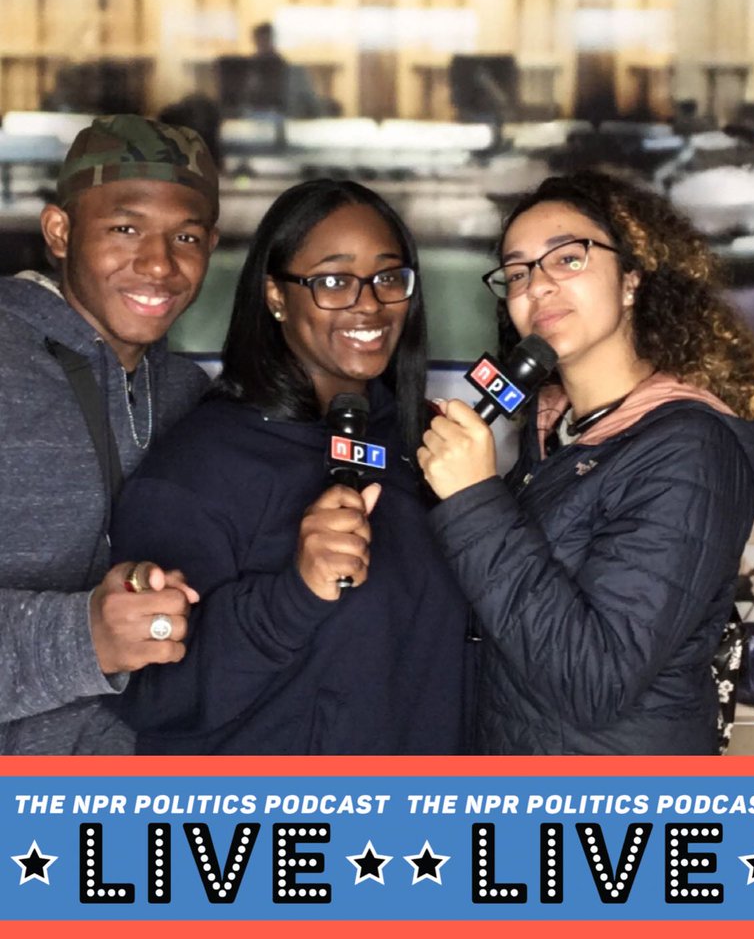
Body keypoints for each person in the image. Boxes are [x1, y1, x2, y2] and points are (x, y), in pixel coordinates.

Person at [418, 170, 754, 755]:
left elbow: (597, 680)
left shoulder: (690, 447)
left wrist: (473, 499)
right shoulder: (554, 428)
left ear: (631, 280)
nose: (538, 285)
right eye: (518, 272)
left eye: (568, 259)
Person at [110, 178, 470, 754]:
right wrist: (295, 594)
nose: (369, 303)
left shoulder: (425, 446)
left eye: (388, 277)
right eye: (333, 281)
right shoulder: (201, 464)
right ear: (276, 296)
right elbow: (151, 694)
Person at [0, 114, 220, 755]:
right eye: (125, 228)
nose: (159, 264)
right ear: (60, 232)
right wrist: (83, 637)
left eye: (185, 236)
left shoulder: (189, 396)